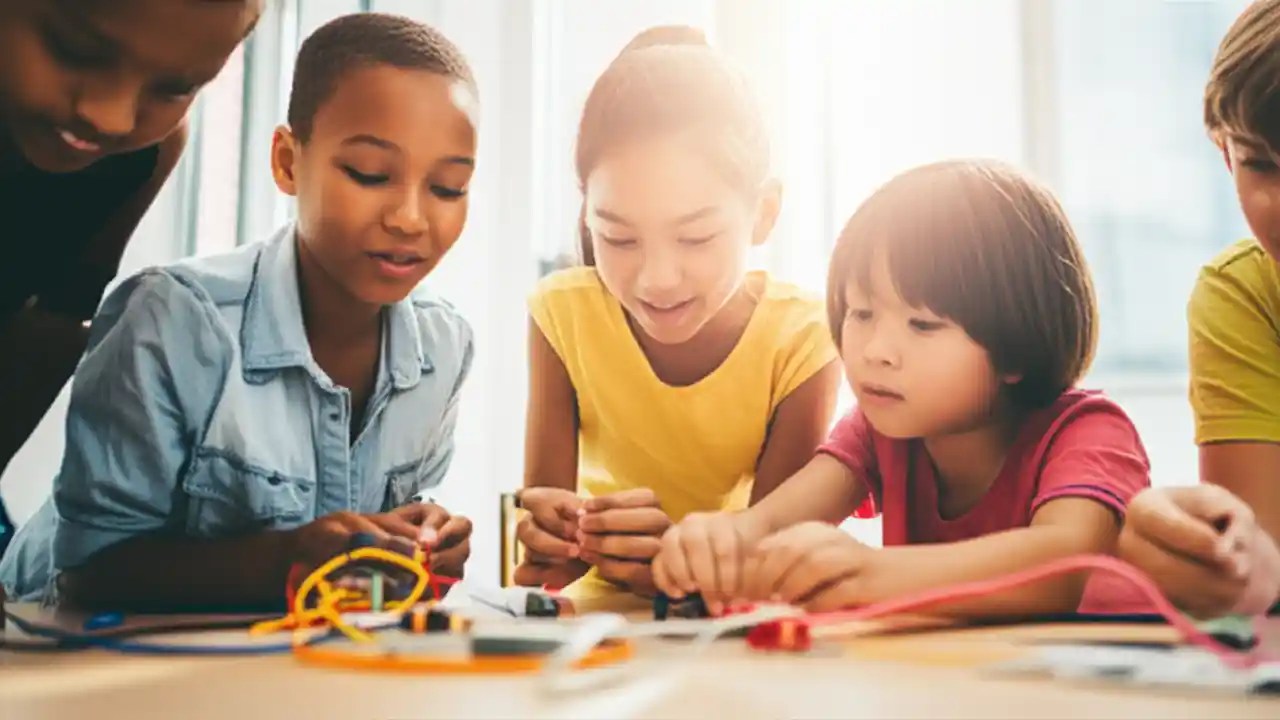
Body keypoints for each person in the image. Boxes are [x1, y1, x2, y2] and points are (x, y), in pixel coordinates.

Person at [0, 12, 479, 610]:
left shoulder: (444, 347)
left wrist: (413, 541)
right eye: (369, 174)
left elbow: (356, 565)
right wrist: (284, 559)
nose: (410, 218)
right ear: (286, 162)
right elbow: (86, 571)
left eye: (448, 189)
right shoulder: (174, 321)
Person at [655, 160, 1152, 618]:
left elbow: (1062, 568)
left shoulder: (1088, 432)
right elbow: (765, 527)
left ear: (1018, 346)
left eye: (923, 324)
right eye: (861, 313)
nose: (876, 351)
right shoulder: (879, 431)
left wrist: (867, 574)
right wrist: (713, 542)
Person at [514, 26, 841, 606]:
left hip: (730, 627)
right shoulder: (562, 315)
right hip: (594, 624)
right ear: (587, 212)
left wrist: (679, 563)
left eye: (695, 238)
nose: (656, 278)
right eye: (618, 237)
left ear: (763, 213)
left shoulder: (804, 339)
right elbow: (546, 572)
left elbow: (773, 571)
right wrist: (553, 537)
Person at [0, 0, 265, 558]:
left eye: (175, 86)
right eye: (77, 50)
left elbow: (47, 330)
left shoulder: (143, 155)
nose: (113, 116)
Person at [1118, 0, 1280, 619]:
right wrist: (1220, 559)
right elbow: (1259, 552)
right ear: (1223, 152)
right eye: (1262, 164)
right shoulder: (1244, 295)